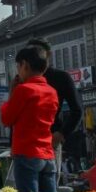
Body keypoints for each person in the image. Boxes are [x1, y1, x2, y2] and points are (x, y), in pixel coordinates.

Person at [1, 45, 59, 192]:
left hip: (27, 152)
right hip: (47, 153)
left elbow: (7, 119)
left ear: (24, 65)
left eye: (18, 66)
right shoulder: (52, 92)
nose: (18, 71)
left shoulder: (23, 90)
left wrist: (11, 93)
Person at [26, 38, 82, 180]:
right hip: (26, 143)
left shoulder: (61, 77)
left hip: (50, 140)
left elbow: (77, 110)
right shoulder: (22, 80)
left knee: (49, 186)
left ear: (48, 55)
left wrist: (61, 133)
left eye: (37, 53)